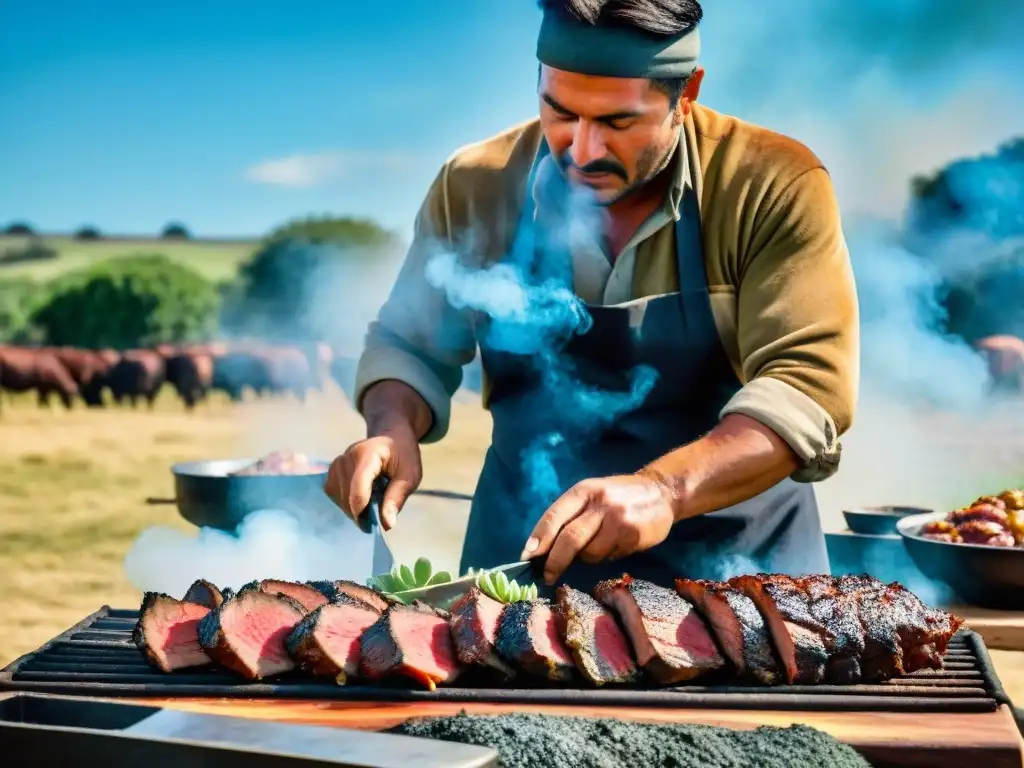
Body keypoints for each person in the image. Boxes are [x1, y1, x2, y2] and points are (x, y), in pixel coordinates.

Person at [324, 0, 859, 591]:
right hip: (522, 572)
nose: (581, 150)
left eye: (618, 122)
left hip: (739, 577)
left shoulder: (771, 182)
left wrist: (664, 489)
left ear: (688, 93)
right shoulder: (473, 185)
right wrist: (391, 422)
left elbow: (807, 385)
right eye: (559, 112)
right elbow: (409, 345)